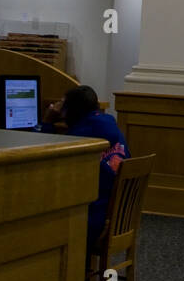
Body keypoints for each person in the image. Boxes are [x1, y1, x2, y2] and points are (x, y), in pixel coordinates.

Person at [44, 85, 129, 249]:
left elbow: (47, 158)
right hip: (116, 215)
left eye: (62, 104)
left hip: (93, 219)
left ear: (71, 110)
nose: (57, 106)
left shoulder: (81, 135)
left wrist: (47, 121)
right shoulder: (109, 124)